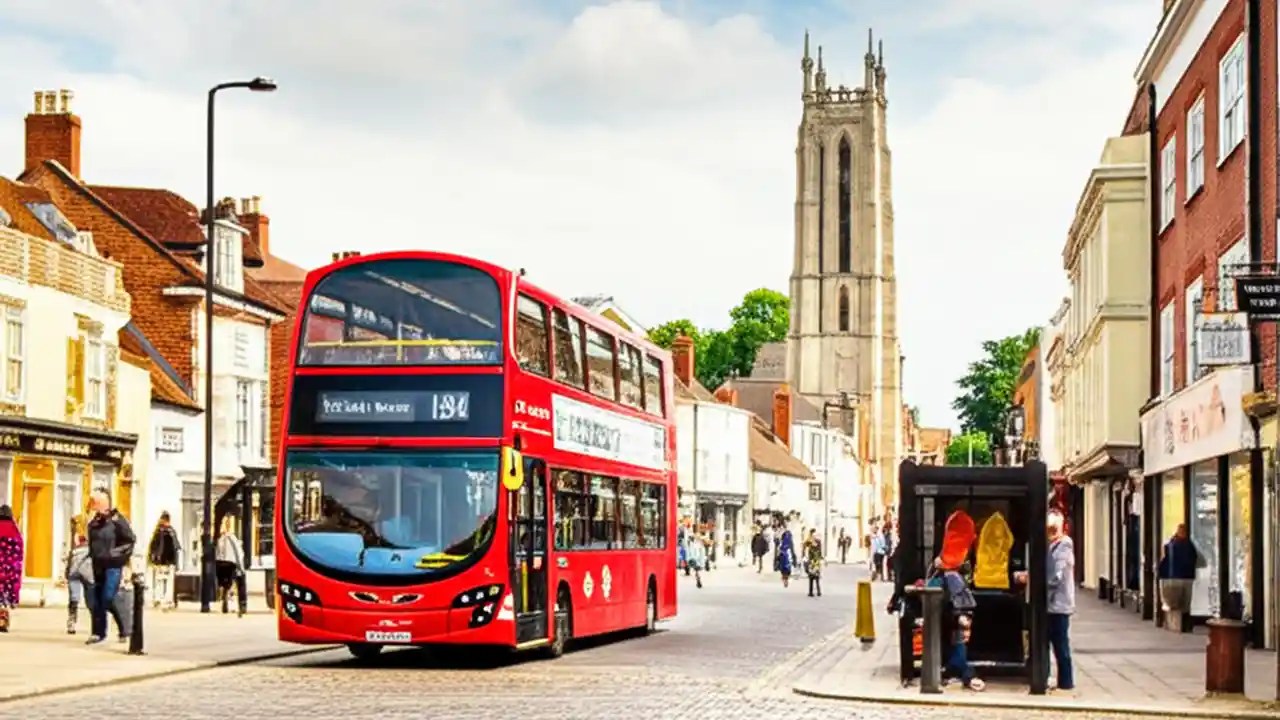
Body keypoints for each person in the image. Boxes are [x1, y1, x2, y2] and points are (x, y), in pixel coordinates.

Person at [1015, 510, 1075, 692]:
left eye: (1053, 528)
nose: (1049, 532)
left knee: (1060, 645)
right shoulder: (1051, 545)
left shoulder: (1063, 546)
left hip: (1057, 605)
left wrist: (1031, 580)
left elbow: (1054, 577)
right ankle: (1047, 677)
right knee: (1045, 643)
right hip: (1049, 604)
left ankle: (1065, 681)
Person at [85, 489, 134, 644]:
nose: (92, 505)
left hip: (113, 565)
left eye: (95, 502)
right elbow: (93, 542)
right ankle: (98, 633)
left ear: (104, 503)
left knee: (108, 597)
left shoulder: (117, 520)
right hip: (98, 564)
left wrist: (116, 554)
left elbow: (130, 540)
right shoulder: (94, 523)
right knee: (96, 599)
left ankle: (124, 628)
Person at [1157, 523, 1200, 626]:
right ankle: (1184, 623)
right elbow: (1195, 559)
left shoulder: (1170, 545)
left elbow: (1164, 562)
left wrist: (1161, 574)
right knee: (1185, 602)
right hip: (1185, 578)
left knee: (1174, 601)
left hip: (1174, 577)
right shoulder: (1189, 546)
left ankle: (1175, 622)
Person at [147, 511, 181, 611]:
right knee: (163, 580)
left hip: (163, 560)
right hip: (166, 560)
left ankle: (162, 599)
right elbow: (175, 547)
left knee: (161, 580)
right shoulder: (169, 531)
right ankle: (163, 599)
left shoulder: (160, 531)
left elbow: (154, 546)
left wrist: (152, 557)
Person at [215, 516, 248, 616]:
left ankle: (225, 593)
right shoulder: (232, 539)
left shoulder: (219, 539)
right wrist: (241, 569)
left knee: (226, 582)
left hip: (220, 565)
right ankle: (242, 605)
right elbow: (238, 555)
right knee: (241, 580)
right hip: (231, 564)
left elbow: (216, 554)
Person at [64, 533, 94, 634]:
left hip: (74, 575)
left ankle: (71, 622)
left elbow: (69, 566)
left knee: (74, 599)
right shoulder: (91, 550)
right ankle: (95, 624)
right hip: (88, 575)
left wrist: (66, 575)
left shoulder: (74, 551)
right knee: (90, 600)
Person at [0, 505, 22, 632]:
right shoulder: (14, 531)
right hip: (9, 570)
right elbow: (18, 552)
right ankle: (3, 619)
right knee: (4, 596)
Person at [804, 530, 824, 597]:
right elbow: (820, 554)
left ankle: (811, 592)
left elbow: (805, 544)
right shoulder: (818, 545)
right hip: (817, 563)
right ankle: (818, 592)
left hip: (812, 563)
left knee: (811, 578)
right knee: (817, 578)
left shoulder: (811, 545)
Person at [777, 524, 797, 588]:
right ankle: (786, 579)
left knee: (783, 570)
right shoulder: (790, 540)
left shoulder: (783, 540)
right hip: (788, 557)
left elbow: (780, 548)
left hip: (783, 556)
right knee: (787, 569)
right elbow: (792, 549)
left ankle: (785, 578)